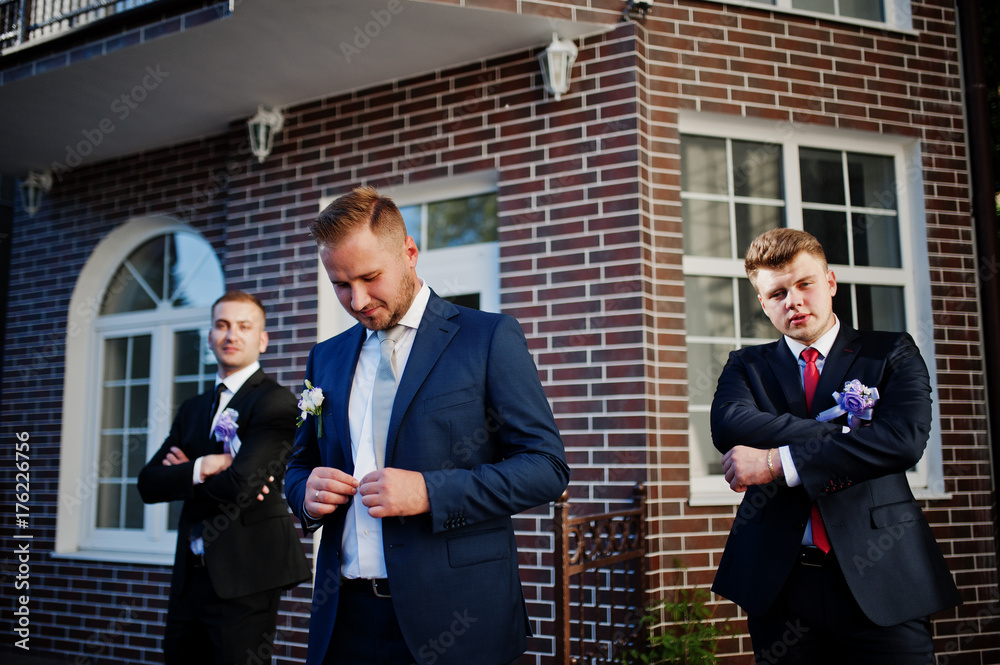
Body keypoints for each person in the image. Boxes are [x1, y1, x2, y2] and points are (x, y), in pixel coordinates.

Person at [284, 186, 569, 665]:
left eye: (370, 277)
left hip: (458, 619)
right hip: (344, 622)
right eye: (339, 284)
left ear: (410, 253)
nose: (355, 300)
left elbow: (546, 467)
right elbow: (299, 465)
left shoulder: (488, 338)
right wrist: (305, 492)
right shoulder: (326, 356)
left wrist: (430, 493)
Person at [710, 228, 961, 664]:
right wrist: (851, 436)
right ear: (763, 303)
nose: (794, 300)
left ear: (829, 282)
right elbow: (729, 425)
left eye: (805, 283)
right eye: (777, 293)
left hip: (882, 575)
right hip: (781, 584)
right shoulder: (746, 365)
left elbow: (902, 442)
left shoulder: (891, 353)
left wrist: (778, 461)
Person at [138, 291, 311, 665]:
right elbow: (148, 484)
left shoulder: (275, 402)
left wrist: (185, 476)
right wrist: (202, 466)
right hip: (190, 577)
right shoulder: (193, 408)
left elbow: (242, 486)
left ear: (262, 340)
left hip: (246, 574)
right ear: (211, 336)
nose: (231, 335)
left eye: (244, 327)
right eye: (222, 325)